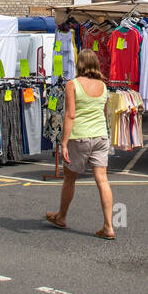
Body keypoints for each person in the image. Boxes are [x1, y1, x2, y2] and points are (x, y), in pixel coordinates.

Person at [46, 50, 115, 239]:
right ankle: (108, 226)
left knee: (69, 179)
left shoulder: (73, 84)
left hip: (80, 136)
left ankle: (61, 216)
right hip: (101, 136)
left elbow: (70, 114)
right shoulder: (103, 86)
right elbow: (104, 112)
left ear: (80, 64)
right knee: (102, 179)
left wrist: (64, 142)